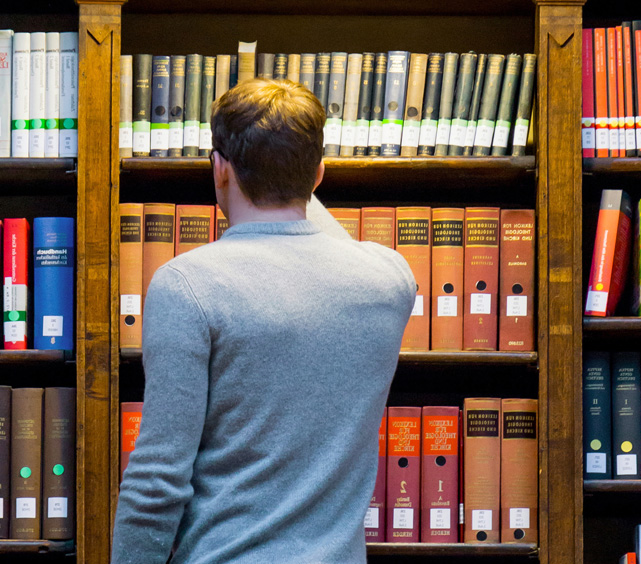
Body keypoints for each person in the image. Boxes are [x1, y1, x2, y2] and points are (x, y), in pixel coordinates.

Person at [111, 79, 416, 564]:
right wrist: (293, 169)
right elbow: (319, 228)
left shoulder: (187, 284)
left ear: (220, 170)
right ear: (320, 175)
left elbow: (157, 482)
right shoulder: (390, 279)